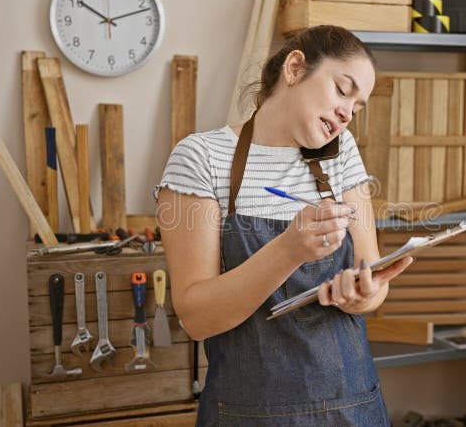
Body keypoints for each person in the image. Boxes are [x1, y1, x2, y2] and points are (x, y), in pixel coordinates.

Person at [154, 25, 413, 426]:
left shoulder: (341, 155)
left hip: (352, 408)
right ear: (294, 68)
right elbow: (196, 318)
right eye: (343, 90)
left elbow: (372, 280)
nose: (347, 113)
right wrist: (289, 250)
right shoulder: (201, 158)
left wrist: (359, 295)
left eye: (357, 107)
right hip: (249, 415)